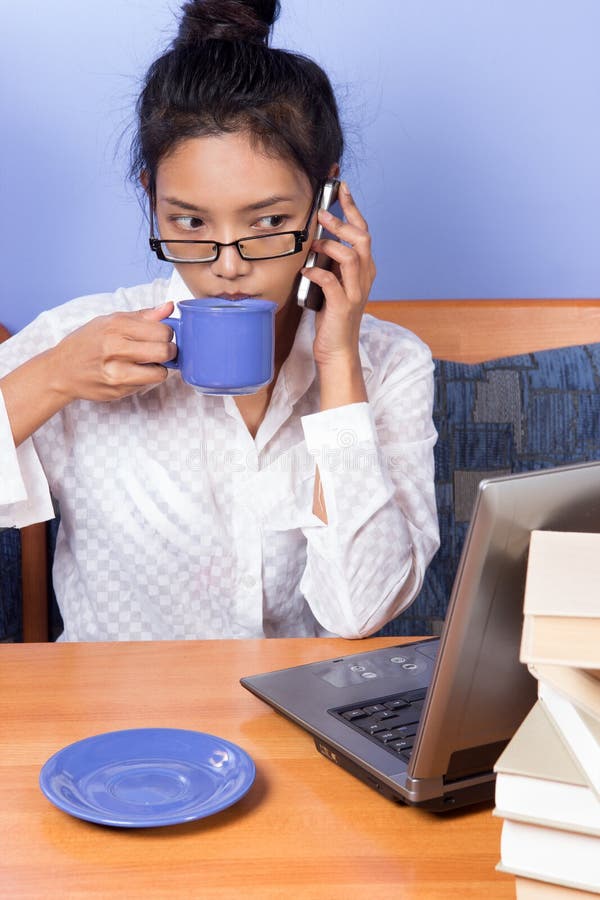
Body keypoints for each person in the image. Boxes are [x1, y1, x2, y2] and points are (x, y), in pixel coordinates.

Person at [0, 0, 439, 641]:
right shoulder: (80, 340)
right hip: (112, 721)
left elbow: (360, 613)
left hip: (290, 722)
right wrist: (51, 380)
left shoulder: (389, 364)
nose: (228, 266)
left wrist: (338, 365)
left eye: (265, 223)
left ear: (325, 199)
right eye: (190, 223)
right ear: (151, 196)